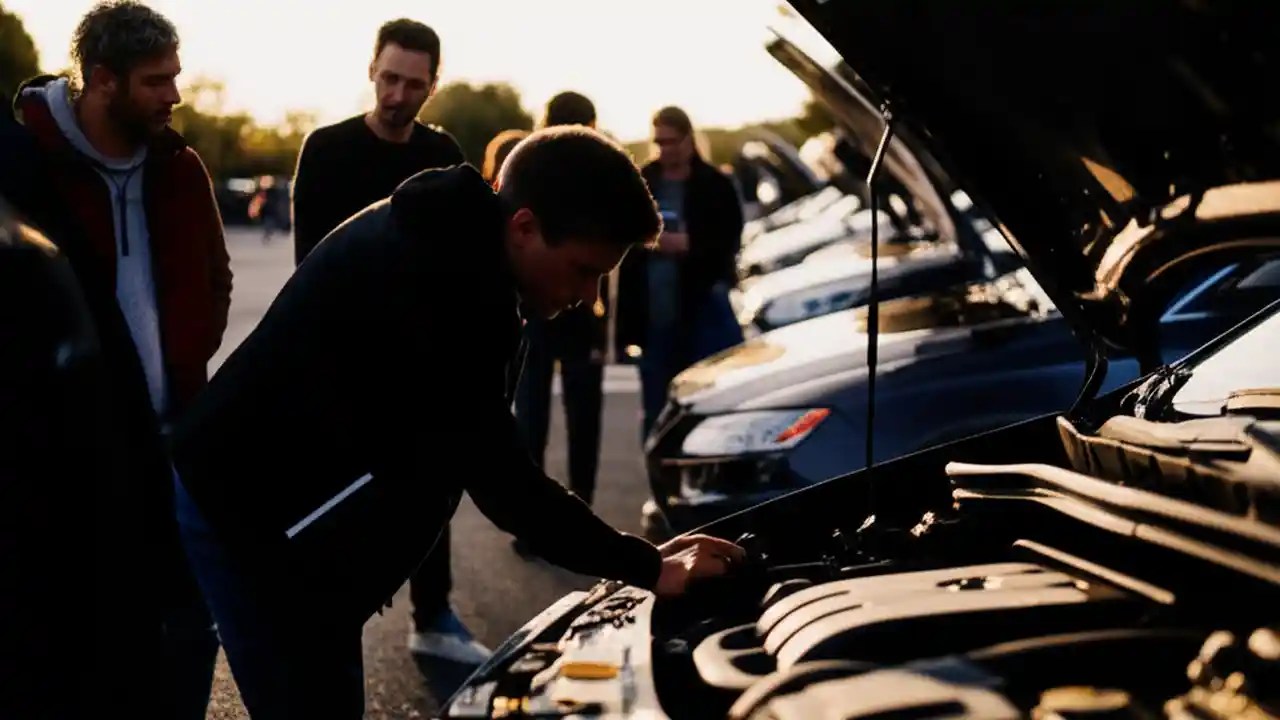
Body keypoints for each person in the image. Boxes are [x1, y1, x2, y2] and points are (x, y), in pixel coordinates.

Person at [170, 126, 744, 719]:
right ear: (524, 227)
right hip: (251, 518)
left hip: (295, 522)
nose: (589, 297)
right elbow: (504, 482)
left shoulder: (464, 250)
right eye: (583, 270)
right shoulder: (443, 282)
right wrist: (647, 566)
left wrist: (646, 561)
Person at [0, 2, 233, 717]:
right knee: (91, 636)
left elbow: (216, 275)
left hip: (178, 438)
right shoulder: (25, 165)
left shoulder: (180, 167)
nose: (175, 95)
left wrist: (188, 354)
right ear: (102, 81)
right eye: (155, 82)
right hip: (75, 455)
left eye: (176, 77)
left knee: (193, 619)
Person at [289, 18, 485, 665]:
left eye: (414, 84)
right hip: (343, 356)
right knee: (334, 500)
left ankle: (433, 615)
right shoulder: (326, 148)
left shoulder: (443, 151)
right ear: (371, 69)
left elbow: (461, 263)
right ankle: (320, 617)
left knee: (431, 487)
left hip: (422, 357)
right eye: (390, 78)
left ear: (434, 85)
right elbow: (310, 264)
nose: (398, 94)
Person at [616, 106, 745, 438]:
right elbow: (622, 248)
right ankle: (661, 486)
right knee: (657, 416)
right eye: (658, 142)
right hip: (655, 318)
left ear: (688, 140)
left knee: (706, 408)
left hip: (702, 313)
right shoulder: (643, 181)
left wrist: (691, 244)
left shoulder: (715, 184)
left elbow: (729, 240)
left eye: (671, 141)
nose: (664, 149)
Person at [514, 91, 609, 533]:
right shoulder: (601, 177)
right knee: (582, 420)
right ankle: (580, 512)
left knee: (532, 418)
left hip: (532, 315)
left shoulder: (529, 169)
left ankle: (536, 524)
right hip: (580, 317)